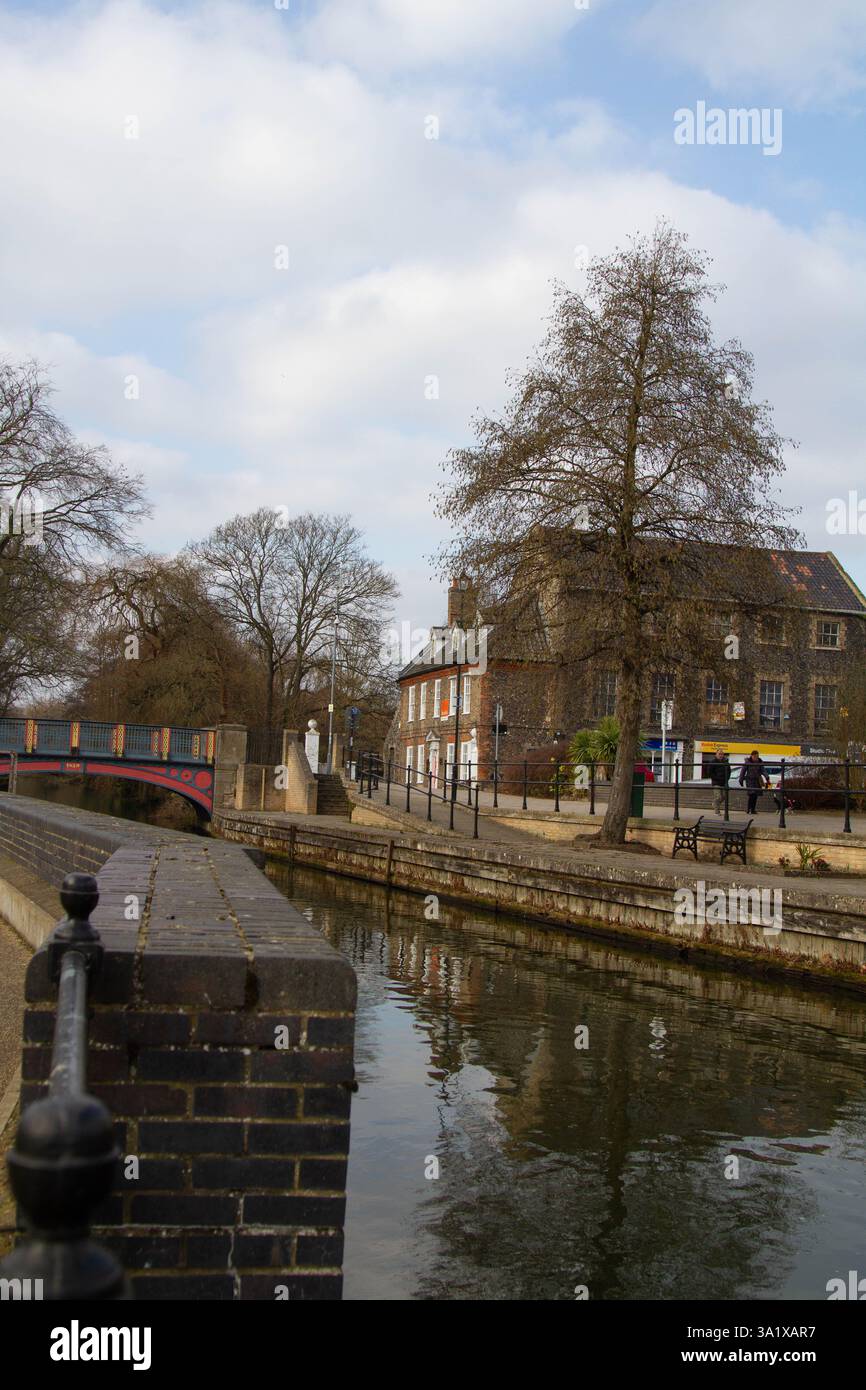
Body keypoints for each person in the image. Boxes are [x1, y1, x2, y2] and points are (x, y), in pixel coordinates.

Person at [739, 750, 769, 814]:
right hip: (750, 780)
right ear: (752, 756)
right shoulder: (748, 762)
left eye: (757, 756)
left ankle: (753, 809)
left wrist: (767, 777)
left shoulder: (760, 762)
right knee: (751, 794)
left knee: (755, 795)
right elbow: (743, 771)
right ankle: (749, 808)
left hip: (757, 780)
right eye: (755, 756)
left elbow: (763, 770)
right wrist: (741, 780)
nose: (756, 758)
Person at [708, 748, 729, 817]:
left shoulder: (726, 762)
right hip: (716, 782)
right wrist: (716, 778)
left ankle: (714, 803)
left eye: (722, 754)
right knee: (718, 796)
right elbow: (710, 772)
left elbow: (729, 772)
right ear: (716, 754)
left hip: (724, 782)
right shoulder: (713, 762)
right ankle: (717, 811)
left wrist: (726, 779)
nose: (721, 755)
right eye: (719, 754)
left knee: (724, 796)